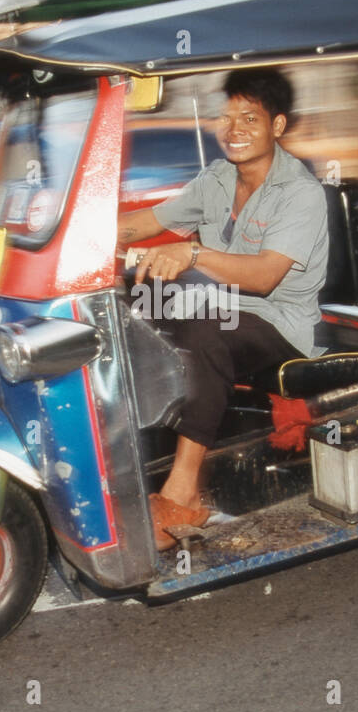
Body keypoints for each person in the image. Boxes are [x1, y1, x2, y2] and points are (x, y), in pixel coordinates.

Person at [116, 68, 328, 550]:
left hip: (283, 321)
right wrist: (73, 233)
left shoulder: (300, 192)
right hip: (222, 304)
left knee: (204, 328)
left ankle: (185, 491)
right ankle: (129, 455)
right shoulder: (216, 179)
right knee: (129, 304)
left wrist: (192, 254)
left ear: (277, 125)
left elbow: (264, 276)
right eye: (226, 117)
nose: (233, 130)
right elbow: (145, 223)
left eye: (249, 118)